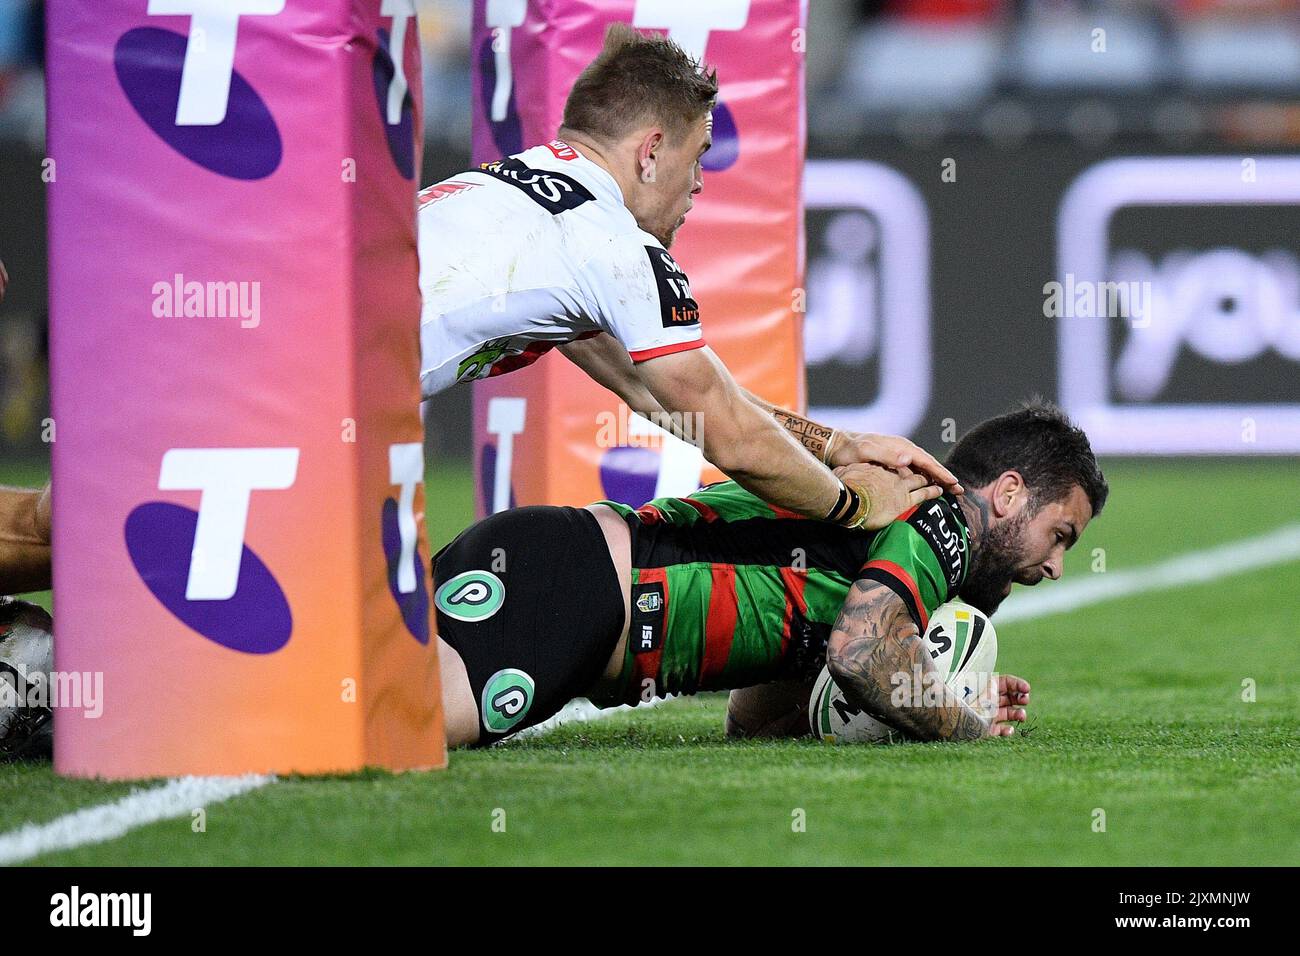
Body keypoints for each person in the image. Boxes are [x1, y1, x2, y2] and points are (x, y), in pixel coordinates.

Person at [416, 23, 959, 529]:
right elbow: (733, 440)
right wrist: (856, 507)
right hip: (337, 388)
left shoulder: (511, 184)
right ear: (650, 153)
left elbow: (652, 391)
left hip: (342, 378)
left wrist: (838, 446)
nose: (698, 182)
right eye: (696, 155)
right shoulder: (613, 245)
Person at [432, 401, 1108, 747]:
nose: (1054, 567)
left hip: (564, 581)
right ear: (1009, 493)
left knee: (366, 701)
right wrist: (961, 722)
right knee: (375, 734)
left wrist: (875, 710)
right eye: (1060, 536)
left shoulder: (868, 556)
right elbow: (865, 650)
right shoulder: (945, 519)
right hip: (572, 593)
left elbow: (752, 725)